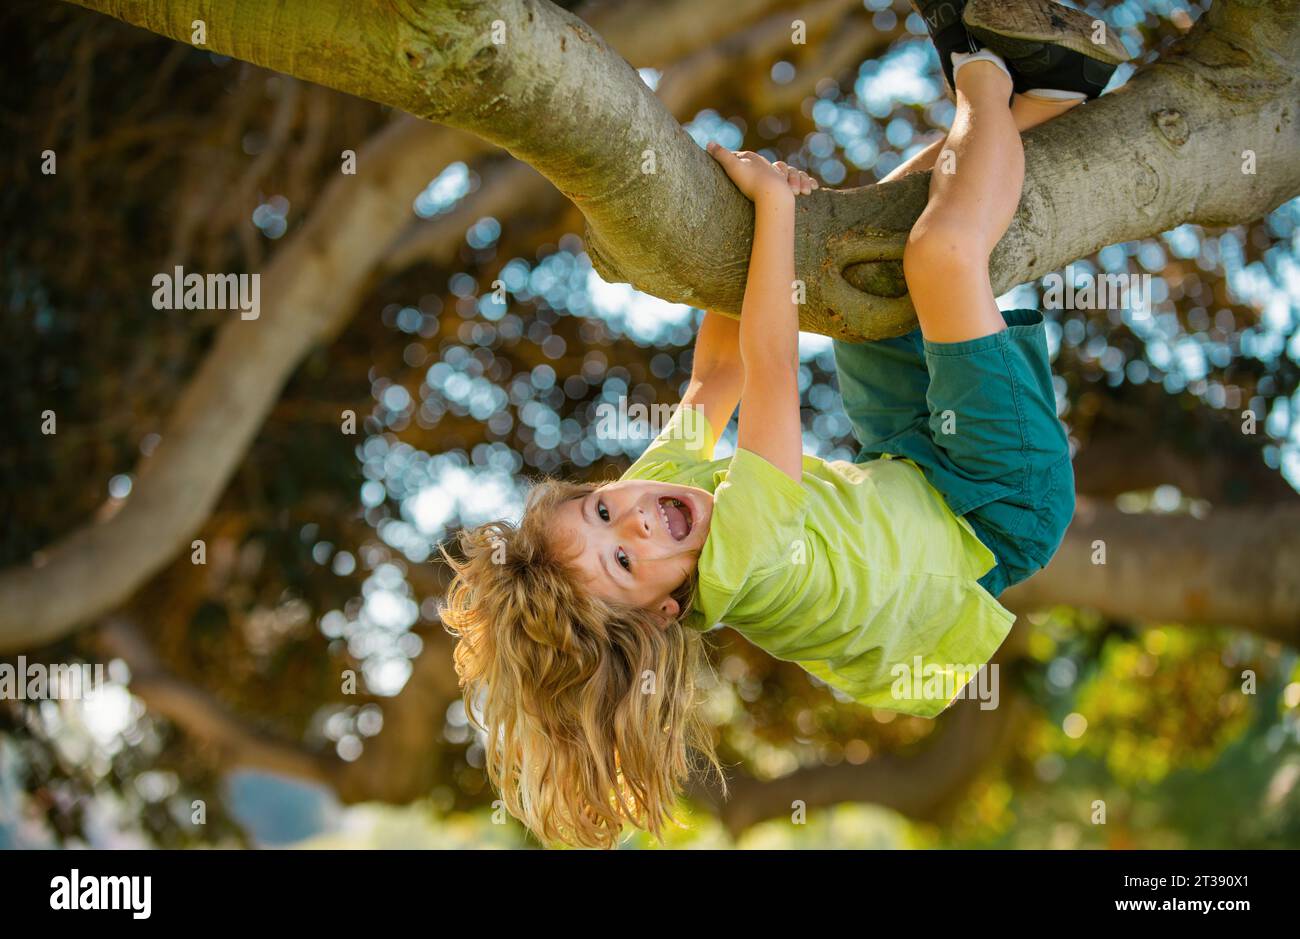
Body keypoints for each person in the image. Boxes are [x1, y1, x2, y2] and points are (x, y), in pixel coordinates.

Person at [440, 0, 1129, 848]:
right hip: (996, 506)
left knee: (869, 242)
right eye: (626, 558)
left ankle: (1052, 100)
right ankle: (980, 69)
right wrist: (774, 211)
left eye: (600, 508)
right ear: (661, 612)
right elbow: (770, 370)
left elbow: (718, 373)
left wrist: (761, 233)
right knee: (940, 256)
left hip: (909, 462)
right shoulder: (743, 562)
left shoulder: (655, 497)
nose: (637, 517)